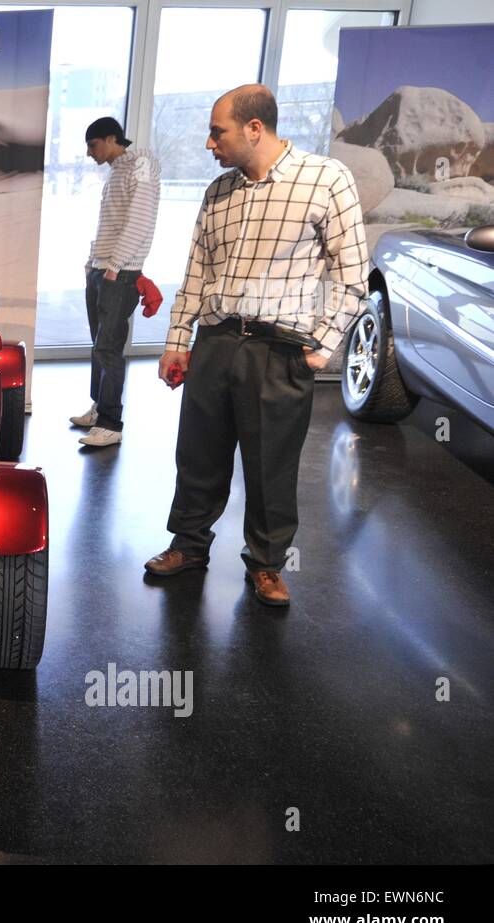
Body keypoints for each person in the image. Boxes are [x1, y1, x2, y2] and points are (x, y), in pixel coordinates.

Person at [144, 84, 368, 607]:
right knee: (198, 452)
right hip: (217, 340)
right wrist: (178, 340)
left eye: (216, 131)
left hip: (280, 348)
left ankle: (266, 564)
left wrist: (323, 345)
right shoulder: (218, 192)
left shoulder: (325, 179)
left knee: (270, 463)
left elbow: (354, 272)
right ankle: (189, 544)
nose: (208, 143)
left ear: (254, 128)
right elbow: (197, 271)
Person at [70, 117, 160, 447]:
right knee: (99, 344)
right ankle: (99, 407)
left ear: (111, 138)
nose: (90, 153)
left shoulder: (142, 163)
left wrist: (115, 265)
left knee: (109, 347)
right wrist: (93, 262)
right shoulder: (117, 170)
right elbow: (109, 222)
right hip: (101, 268)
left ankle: (111, 423)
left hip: (119, 273)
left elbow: (139, 218)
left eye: (93, 145)